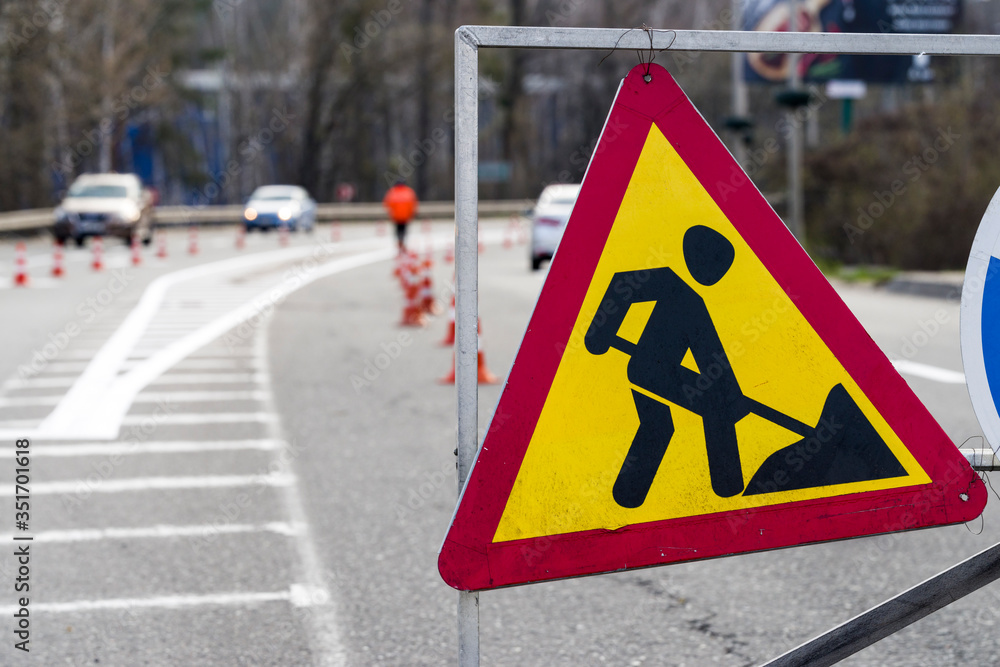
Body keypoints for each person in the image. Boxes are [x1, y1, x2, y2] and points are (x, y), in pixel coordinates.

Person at [382, 180, 419, 251]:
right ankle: (402, 241)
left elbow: (386, 204)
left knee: (397, 229)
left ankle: (399, 241)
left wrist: (391, 213)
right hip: (406, 216)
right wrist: (413, 213)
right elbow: (414, 204)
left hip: (396, 216)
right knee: (404, 229)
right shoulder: (409, 192)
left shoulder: (392, 192)